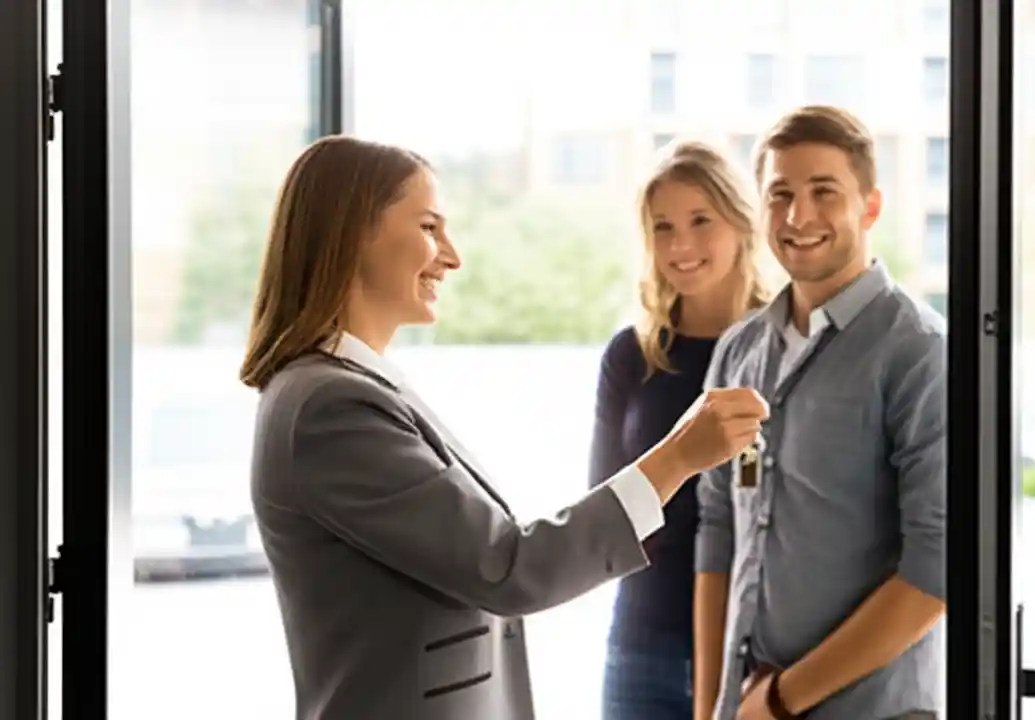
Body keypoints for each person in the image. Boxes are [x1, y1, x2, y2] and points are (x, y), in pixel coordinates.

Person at [238, 135, 769, 720]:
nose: (452, 255)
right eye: (430, 227)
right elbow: (509, 567)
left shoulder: (351, 389)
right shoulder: (331, 409)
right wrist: (678, 456)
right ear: (353, 232)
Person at [693, 106, 947, 720]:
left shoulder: (919, 353)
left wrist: (780, 702)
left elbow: (937, 572)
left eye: (823, 192)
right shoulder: (739, 351)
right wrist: (711, 710)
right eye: (780, 194)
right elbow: (718, 530)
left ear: (871, 207)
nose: (798, 216)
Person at [588, 141, 773, 720]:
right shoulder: (633, 355)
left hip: (759, 647)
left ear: (741, 224)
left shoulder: (785, 348)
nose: (681, 245)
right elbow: (602, 506)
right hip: (643, 641)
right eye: (663, 228)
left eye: (700, 221)